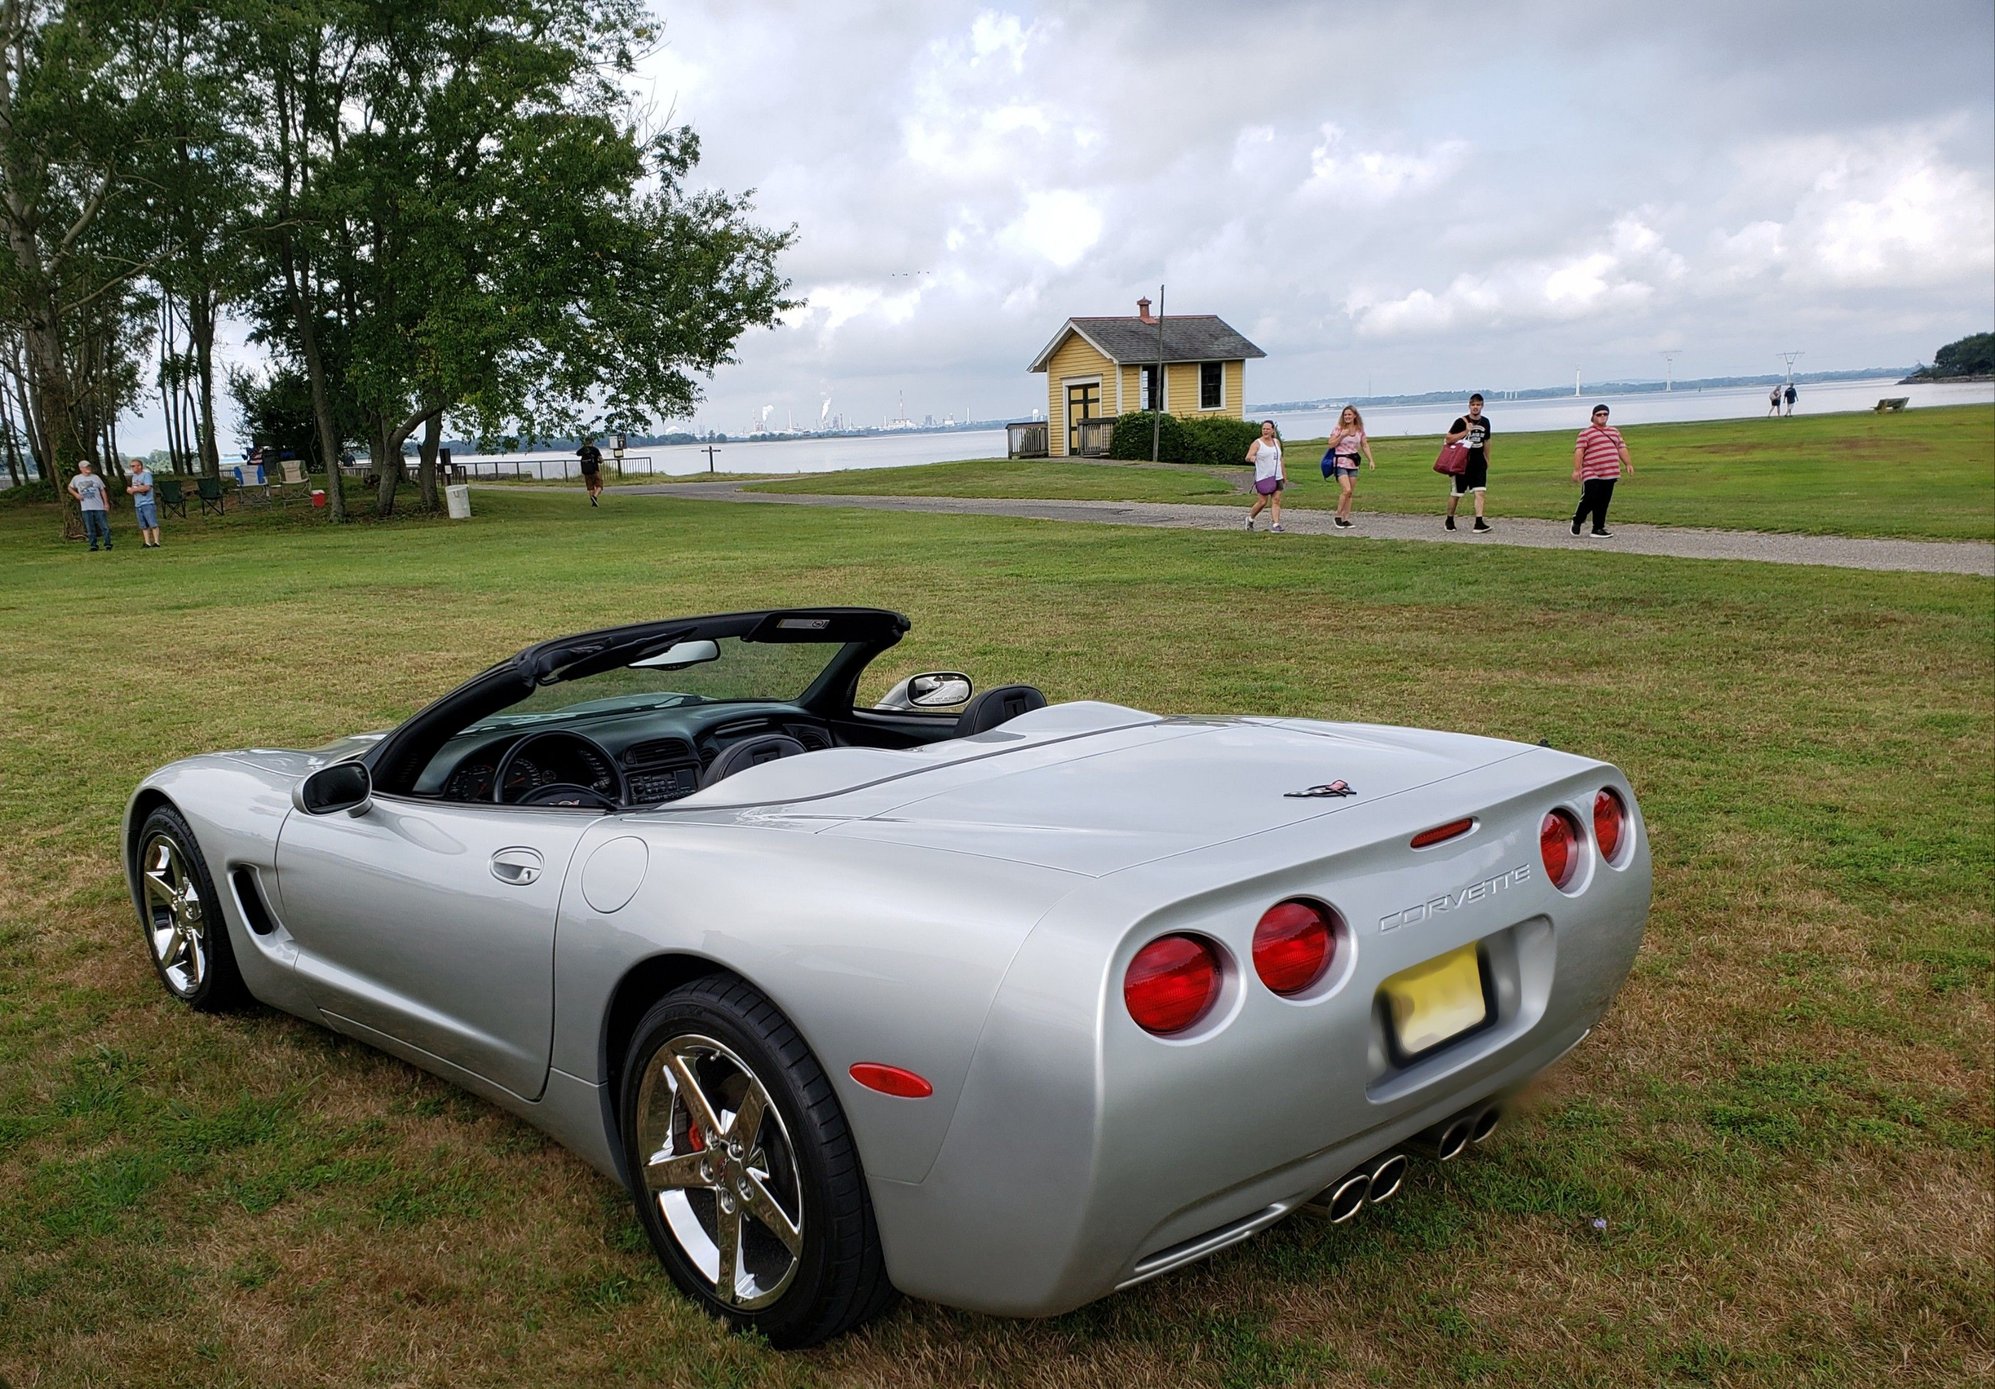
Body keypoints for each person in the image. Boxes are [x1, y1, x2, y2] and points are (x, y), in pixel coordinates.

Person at [1570, 404, 1632, 538]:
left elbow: (1621, 447)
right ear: (1593, 417)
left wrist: (1628, 463)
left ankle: (1598, 528)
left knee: (1603, 501)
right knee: (1590, 496)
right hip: (1591, 470)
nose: (1603, 417)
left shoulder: (1614, 432)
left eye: (1605, 414)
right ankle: (1578, 519)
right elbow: (1579, 451)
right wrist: (1577, 469)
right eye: (1599, 414)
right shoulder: (1585, 433)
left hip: (1610, 471)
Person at [1443, 393, 1492, 532]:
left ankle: (1479, 522)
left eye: (1478, 405)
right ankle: (1449, 519)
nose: (1475, 407)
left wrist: (1487, 459)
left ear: (1482, 406)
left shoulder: (1486, 422)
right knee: (1456, 493)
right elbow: (1449, 439)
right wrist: (1466, 431)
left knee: (1480, 492)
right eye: (1473, 405)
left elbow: (1487, 441)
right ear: (1469, 406)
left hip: (1478, 462)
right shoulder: (1460, 421)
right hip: (1462, 463)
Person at [1324, 405, 1376, 529]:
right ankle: (1337, 516)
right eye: (1345, 415)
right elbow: (1330, 444)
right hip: (1341, 462)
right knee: (1346, 490)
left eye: (1349, 415)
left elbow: (1364, 445)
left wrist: (1371, 460)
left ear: (1354, 416)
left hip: (1353, 463)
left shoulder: (1359, 430)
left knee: (1350, 493)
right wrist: (1341, 436)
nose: (1347, 417)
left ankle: (1346, 518)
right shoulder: (1338, 428)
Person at [1245, 420, 1285, 532]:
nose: (1265, 431)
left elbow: (1280, 459)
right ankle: (1250, 519)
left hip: (1277, 476)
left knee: (1276, 500)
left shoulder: (1276, 442)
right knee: (1262, 502)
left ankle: (1276, 524)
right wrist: (1252, 458)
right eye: (1263, 429)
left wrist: (1284, 475)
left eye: (1268, 429)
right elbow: (1248, 456)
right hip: (1264, 477)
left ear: (1272, 430)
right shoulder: (1257, 443)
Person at [68, 459, 112, 551]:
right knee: (90, 527)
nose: (88, 468)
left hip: (98, 506)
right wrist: (76, 495)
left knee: (104, 527)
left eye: (89, 466)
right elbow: (70, 487)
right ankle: (93, 545)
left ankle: (107, 544)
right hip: (86, 507)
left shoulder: (96, 478)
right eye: (85, 467)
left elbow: (102, 490)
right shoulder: (77, 478)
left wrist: (106, 503)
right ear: (81, 468)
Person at [128, 458, 161, 548]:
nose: (132, 468)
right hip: (138, 504)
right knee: (143, 525)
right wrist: (130, 490)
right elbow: (135, 488)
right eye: (131, 466)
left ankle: (156, 542)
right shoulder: (134, 477)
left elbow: (147, 487)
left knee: (153, 523)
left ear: (140, 466)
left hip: (147, 503)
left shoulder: (146, 475)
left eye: (133, 466)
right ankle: (147, 542)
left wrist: (134, 489)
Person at [577, 440, 604, 505]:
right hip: (594, 471)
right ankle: (594, 497)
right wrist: (600, 461)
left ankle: (593, 502)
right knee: (599, 485)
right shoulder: (595, 449)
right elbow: (601, 459)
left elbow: (578, 453)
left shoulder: (583, 450)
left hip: (586, 472)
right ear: (592, 442)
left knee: (590, 487)